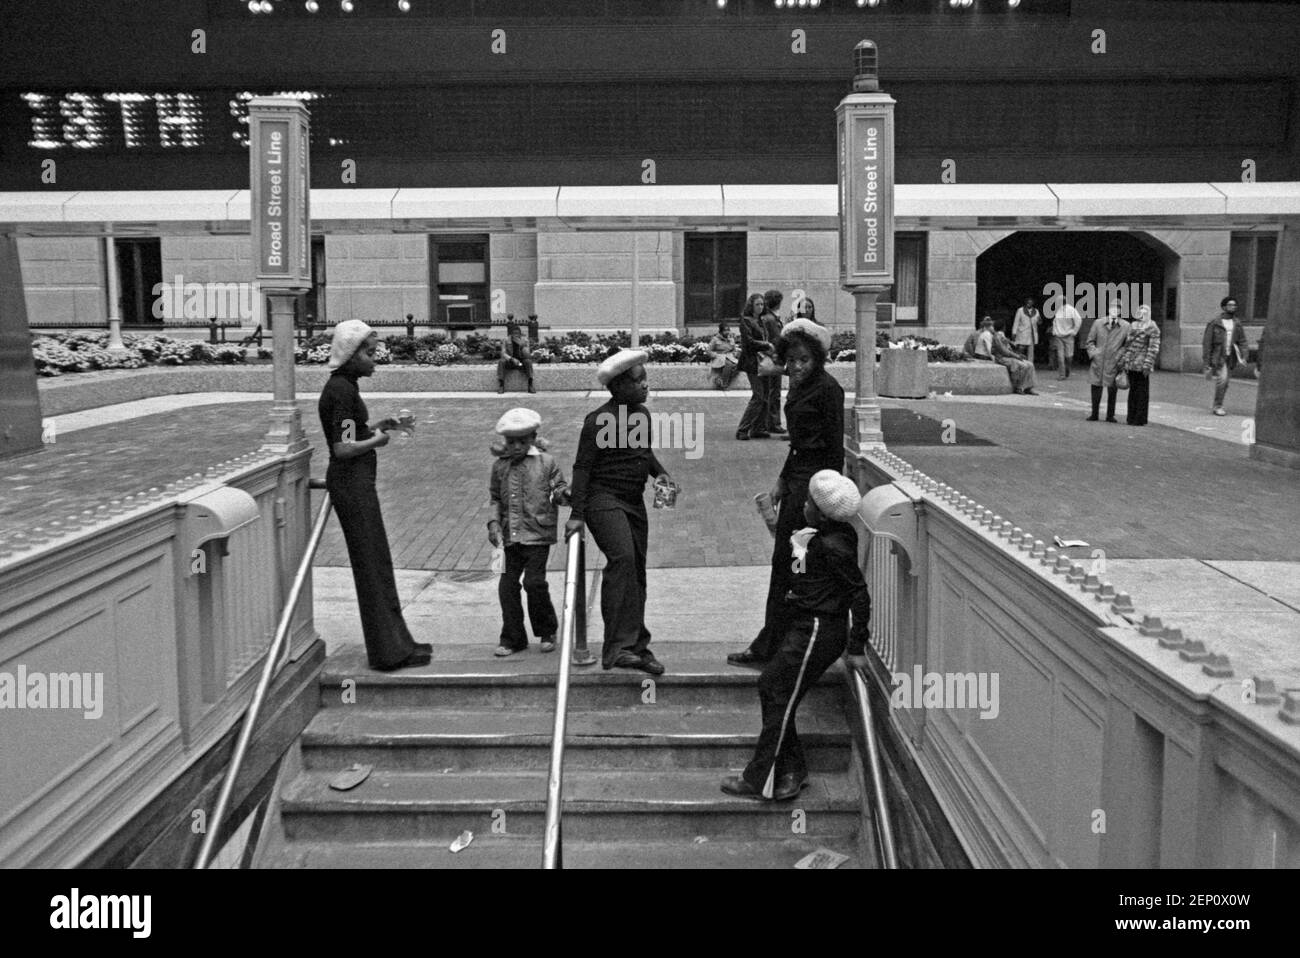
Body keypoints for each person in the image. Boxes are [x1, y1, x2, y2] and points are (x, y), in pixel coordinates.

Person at [721, 469, 870, 801]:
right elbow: (799, 571)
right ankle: (792, 771)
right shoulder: (818, 535)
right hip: (804, 625)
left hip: (818, 630)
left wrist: (857, 645)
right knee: (774, 688)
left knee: (778, 692)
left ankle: (761, 779)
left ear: (818, 510)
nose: (803, 505)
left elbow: (859, 595)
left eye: (808, 502)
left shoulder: (834, 546)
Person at [728, 318, 843, 668]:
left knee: (795, 563)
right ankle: (775, 643)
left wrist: (820, 500)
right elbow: (798, 446)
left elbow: (834, 450)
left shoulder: (828, 389)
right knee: (787, 564)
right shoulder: (798, 386)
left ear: (817, 359)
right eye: (791, 360)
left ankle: (781, 645)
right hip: (796, 480)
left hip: (812, 487)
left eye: (803, 360)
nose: (795, 367)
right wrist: (781, 480)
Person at [318, 320, 430, 672]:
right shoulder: (340, 391)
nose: (374, 359)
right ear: (350, 355)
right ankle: (388, 651)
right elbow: (343, 448)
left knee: (378, 564)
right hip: (351, 485)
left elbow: (352, 433)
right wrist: (378, 441)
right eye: (369, 353)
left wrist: (382, 425)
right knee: (371, 567)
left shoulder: (345, 387)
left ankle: (398, 643)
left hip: (357, 485)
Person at [566, 349, 677, 675]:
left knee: (637, 572)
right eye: (638, 380)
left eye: (645, 378)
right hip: (604, 499)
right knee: (623, 560)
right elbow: (582, 469)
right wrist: (577, 515)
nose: (645, 385)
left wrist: (661, 474)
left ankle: (637, 646)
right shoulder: (599, 420)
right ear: (617, 386)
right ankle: (617, 649)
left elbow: (644, 453)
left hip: (633, 500)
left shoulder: (640, 415)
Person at [487, 408, 569, 657]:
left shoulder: (546, 462)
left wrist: (562, 495)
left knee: (534, 582)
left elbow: (558, 486)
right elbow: (494, 498)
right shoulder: (500, 466)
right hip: (509, 538)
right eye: (511, 442)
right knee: (507, 586)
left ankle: (546, 630)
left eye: (522, 441)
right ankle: (513, 637)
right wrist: (493, 523)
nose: (516, 446)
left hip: (537, 535)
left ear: (533, 438)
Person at [735, 293, 775, 440]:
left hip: (763, 361)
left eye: (762, 304)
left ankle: (758, 428)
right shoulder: (746, 320)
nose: (760, 307)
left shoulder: (761, 321)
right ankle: (743, 429)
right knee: (758, 396)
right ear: (751, 305)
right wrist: (766, 345)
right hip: (752, 362)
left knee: (765, 396)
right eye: (757, 304)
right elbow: (748, 342)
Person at [1202, 296, 1249, 417]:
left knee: (1226, 382)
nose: (1233, 307)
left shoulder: (1237, 323)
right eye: (1230, 305)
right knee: (1222, 380)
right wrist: (1206, 362)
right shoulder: (1215, 323)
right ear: (1224, 307)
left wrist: (1244, 356)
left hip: (1231, 357)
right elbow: (1207, 343)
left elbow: (1242, 341)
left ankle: (1218, 403)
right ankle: (1218, 406)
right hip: (1218, 356)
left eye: (1234, 305)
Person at [1085, 304, 1131, 422]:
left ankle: (1110, 415)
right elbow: (1090, 341)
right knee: (1096, 386)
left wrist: (1119, 356)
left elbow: (1127, 345)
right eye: (1113, 308)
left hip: (1114, 360)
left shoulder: (1126, 326)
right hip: (1098, 360)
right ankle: (1094, 413)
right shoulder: (1098, 323)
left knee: (1112, 388)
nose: (1115, 310)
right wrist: (1094, 353)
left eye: (1118, 308)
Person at [762, 290, 787, 436]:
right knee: (774, 392)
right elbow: (777, 339)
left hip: (769, 356)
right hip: (774, 357)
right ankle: (774, 422)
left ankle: (767, 422)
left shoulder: (766, 317)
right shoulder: (771, 319)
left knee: (769, 391)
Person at [991, 321, 1039, 395]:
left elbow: (1009, 349)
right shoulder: (997, 337)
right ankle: (1019, 387)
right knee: (1023, 366)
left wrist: (1018, 355)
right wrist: (1016, 356)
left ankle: (1028, 387)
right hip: (1002, 358)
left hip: (1009, 357)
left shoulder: (1002, 336)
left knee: (1030, 364)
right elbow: (1004, 351)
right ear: (1003, 328)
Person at [496, 320, 535, 394]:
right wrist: (511, 359)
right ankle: (501, 385)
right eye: (514, 333)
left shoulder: (524, 340)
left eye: (517, 333)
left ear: (520, 334)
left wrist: (522, 346)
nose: (516, 335)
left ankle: (530, 385)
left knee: (528, 362)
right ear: (511, 334)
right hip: (510, 362)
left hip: (521, 362)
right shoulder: (506, 340)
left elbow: (528, 355)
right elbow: (503, 353)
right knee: (501, 362)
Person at [1050, 297, 1083, 379]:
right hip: (1058, 336)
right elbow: (1055, 321)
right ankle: (1062, 374)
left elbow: (1078, 320)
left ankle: (1067, 369)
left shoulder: (1071, 310)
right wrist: (1054, 331)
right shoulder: (1057, 310)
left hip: (1068, 336)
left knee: (1068, 356)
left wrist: (1074, 332)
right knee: (1060, 356)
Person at [708, 321, 740, 390]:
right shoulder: (715, 339)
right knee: (728, 364)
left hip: (730, 357)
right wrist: (715, 355)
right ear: (721, 331)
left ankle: (719, 380)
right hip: (719, 357)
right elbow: (709, 350)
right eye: (725, 330)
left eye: (728, 330)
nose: (727, 332)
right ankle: (724, 385)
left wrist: (735, 353)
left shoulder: (731, 339)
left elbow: (734, 349)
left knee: (739, 365)